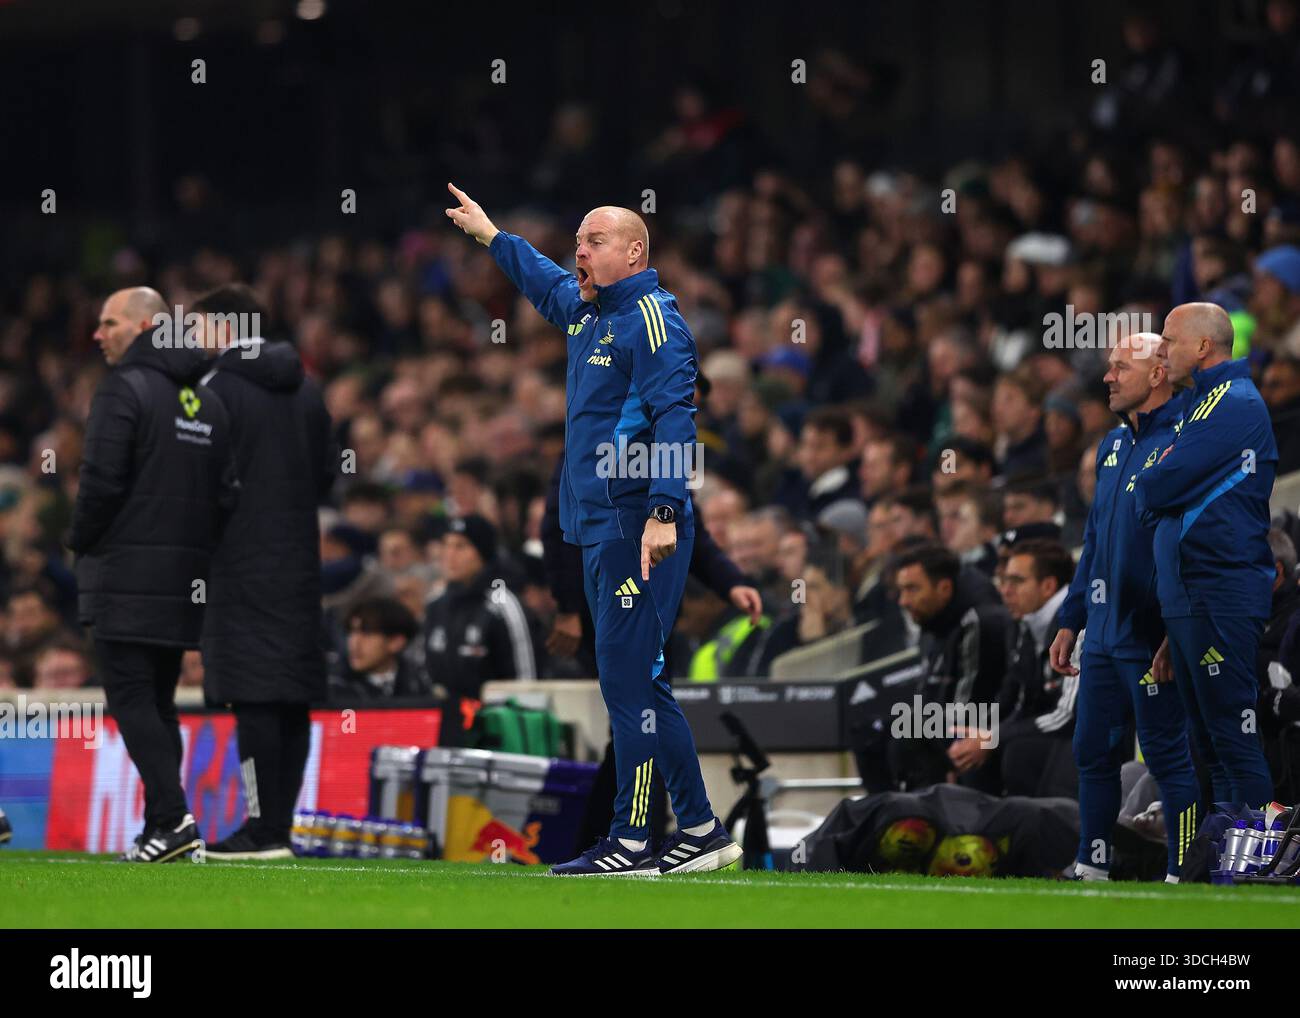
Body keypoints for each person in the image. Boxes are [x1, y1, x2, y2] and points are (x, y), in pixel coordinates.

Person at [446, 182, 741, 875]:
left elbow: (676, 417)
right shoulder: (589, 314)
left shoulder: (653, 320)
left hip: (639, 525)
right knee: (640, 682)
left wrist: (666, 510)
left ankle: (633, 839)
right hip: (600, 530)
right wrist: (493, 236)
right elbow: (542, 279)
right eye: (577, 240)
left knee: (629, 684)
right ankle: (700, 829)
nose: (578, 250)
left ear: (635, 252)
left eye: (594, 240)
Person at [69, 286, 238, 863]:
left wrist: (77, 542)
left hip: (125, 573)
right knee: (159, 702)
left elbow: (100, 482)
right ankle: (161, 831)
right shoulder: (207, 402)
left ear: (143, 329)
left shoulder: (124, 390)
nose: (97, 335)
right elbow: (227, 495)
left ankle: (172, 819)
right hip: (184, 578)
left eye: (108, 323)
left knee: (133, 697)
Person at [192, 284, 337, 862]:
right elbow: (328, 475)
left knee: (250, 699)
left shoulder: (213, 391)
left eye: (197, 328)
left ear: (223, 328)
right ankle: (279, 825)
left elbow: (199, 484)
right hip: (300, 565)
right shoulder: (307, 388)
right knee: (292, 697)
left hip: (236, 567)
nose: (193, 340)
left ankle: (259, 826)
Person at [1051, 332, 1199, 882]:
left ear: (1157, 374)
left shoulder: (1189, 440)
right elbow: (1094, 541)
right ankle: (1093, 863)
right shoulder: (1111, 447)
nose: (1107, 377)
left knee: (1166, 754)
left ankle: (1183, 868)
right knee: (1092, 750)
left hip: (1153, 631)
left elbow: (1193, 542)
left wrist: (1174, 631)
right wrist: (1072, 620)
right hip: (1106, 633)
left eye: (1120, 367)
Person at [1135, 303, 1278, 812]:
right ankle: (1225, 871)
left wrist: (1156, 479)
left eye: (1170, 340)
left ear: (1202, 347)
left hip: (1220, 592)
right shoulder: (1203, 403)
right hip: (1191, 597)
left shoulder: (1232, 403)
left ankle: (1253, 866)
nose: (1161, 349)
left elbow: (1155, 486)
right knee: (1209, 748)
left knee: (1233, 742)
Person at [950, 539, 1077, 798]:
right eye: (1003, 581)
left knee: (1018, 752)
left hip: (1089, 736)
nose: (1005, 591)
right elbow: (1016, 700)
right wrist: (981, 737)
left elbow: (1068, 715)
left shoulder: (1075, 625)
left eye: (1017, 582)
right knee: (972, 750)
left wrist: (994, 738)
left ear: (1048, 586)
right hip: (1049, 732)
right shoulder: (1025, 624)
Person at [423, 514, 537, 729]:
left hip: (498, 727)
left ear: (482, 554)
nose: (449, 555)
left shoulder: (503, 604)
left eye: (461, 546)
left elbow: (525, 682)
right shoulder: (435, 605)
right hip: (447, 726)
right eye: (446, 545)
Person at [329, 597, 429, 702]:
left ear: (396, 642)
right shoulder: (333, 685)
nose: (354, 642)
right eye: (351, 632)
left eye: (367, 633)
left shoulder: (420, 683)